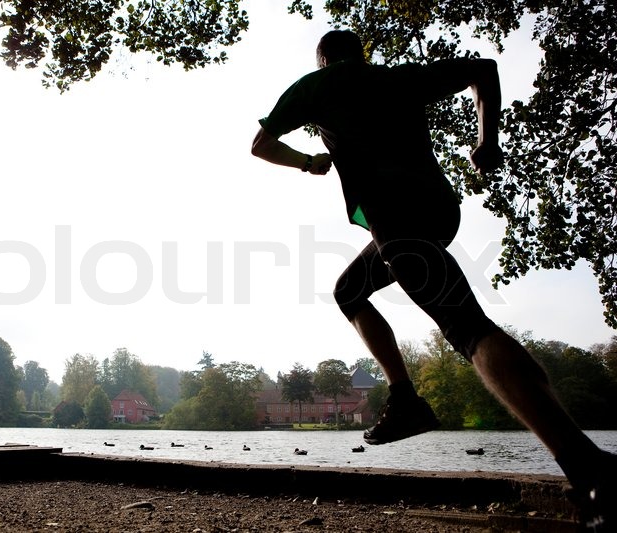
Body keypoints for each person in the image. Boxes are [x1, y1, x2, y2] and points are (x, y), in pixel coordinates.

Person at [251, 29, 614, 530]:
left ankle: (588, 467)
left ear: (322, 61)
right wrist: (487, 140)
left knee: (465, 326)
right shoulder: (397, 77)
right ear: (364, 53)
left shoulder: (315, 87)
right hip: (438, 211)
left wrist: (308, 161)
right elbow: (482, 71)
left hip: (395, 216)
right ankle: (404, 400)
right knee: (349, 289)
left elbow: (262, 144)